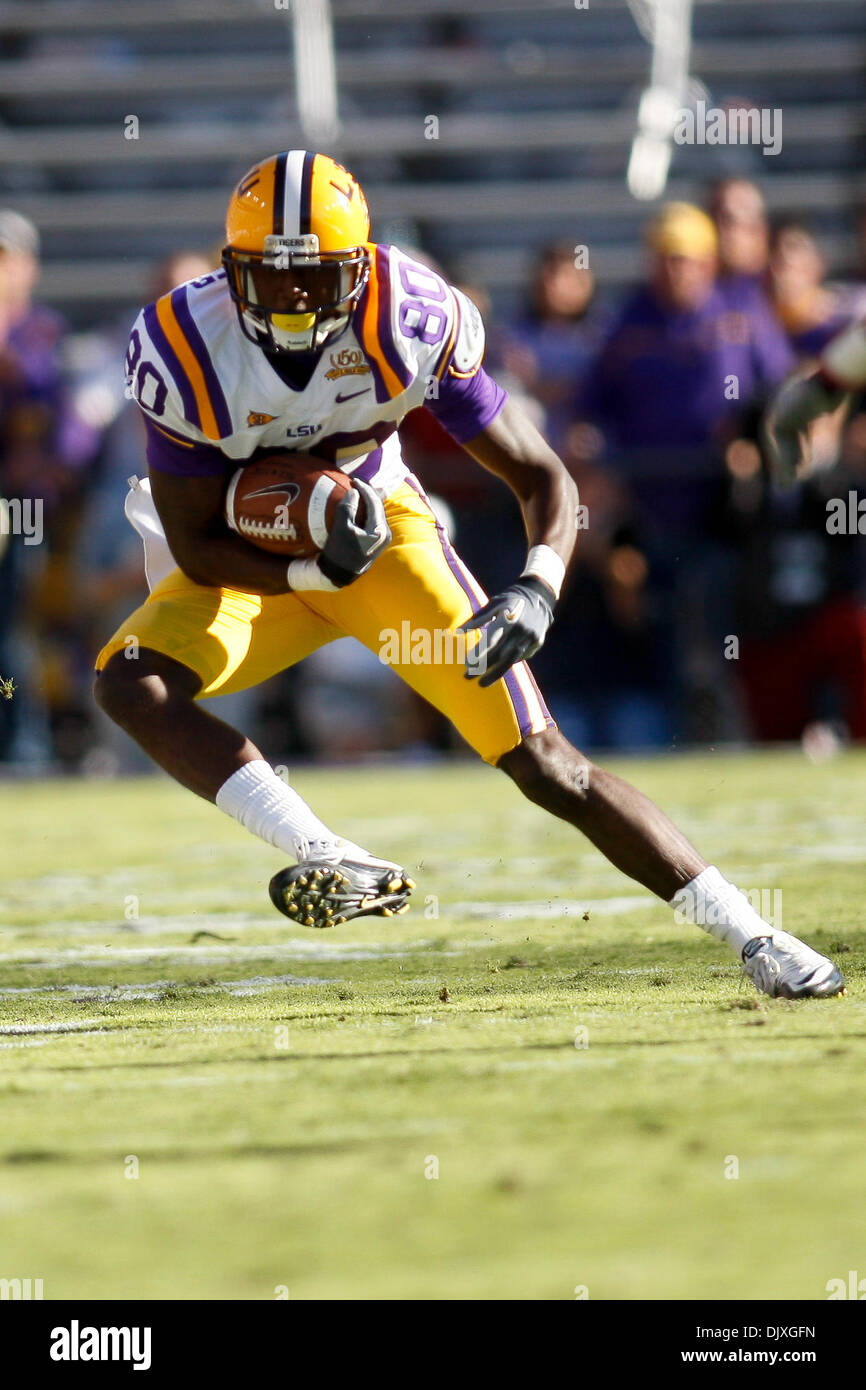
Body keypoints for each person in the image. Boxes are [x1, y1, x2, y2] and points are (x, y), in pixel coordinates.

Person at [93, 151, 844, 999]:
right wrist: (307, 554)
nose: (295, 302)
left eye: (315, 279)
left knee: (545, 760)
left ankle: (755, 935)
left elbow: (541, 474)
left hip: (385, 543)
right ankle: (329, 854)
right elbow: (194, 546)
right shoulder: (186, 346)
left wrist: (538, 585)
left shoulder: (405, 317)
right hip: (248, 558)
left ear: (361, 268)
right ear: (233, 272)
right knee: (130, 681)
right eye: (272, 279)